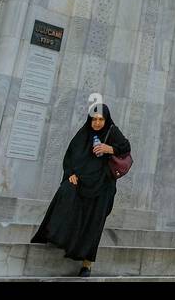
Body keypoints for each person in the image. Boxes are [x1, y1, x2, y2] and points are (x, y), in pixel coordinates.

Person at [31, 103, 131, 276]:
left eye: (101, 119)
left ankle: (87, 264)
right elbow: (70, 156)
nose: (97, 123)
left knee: (94, 224)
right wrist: (70, 173)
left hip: (102, 187)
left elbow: (126, 147)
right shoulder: (83, 133)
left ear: (106, 120)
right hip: (81, 181)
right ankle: (55, 236)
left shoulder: (112, 132)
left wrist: (110, 148)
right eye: (94, 119)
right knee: (65, 194)